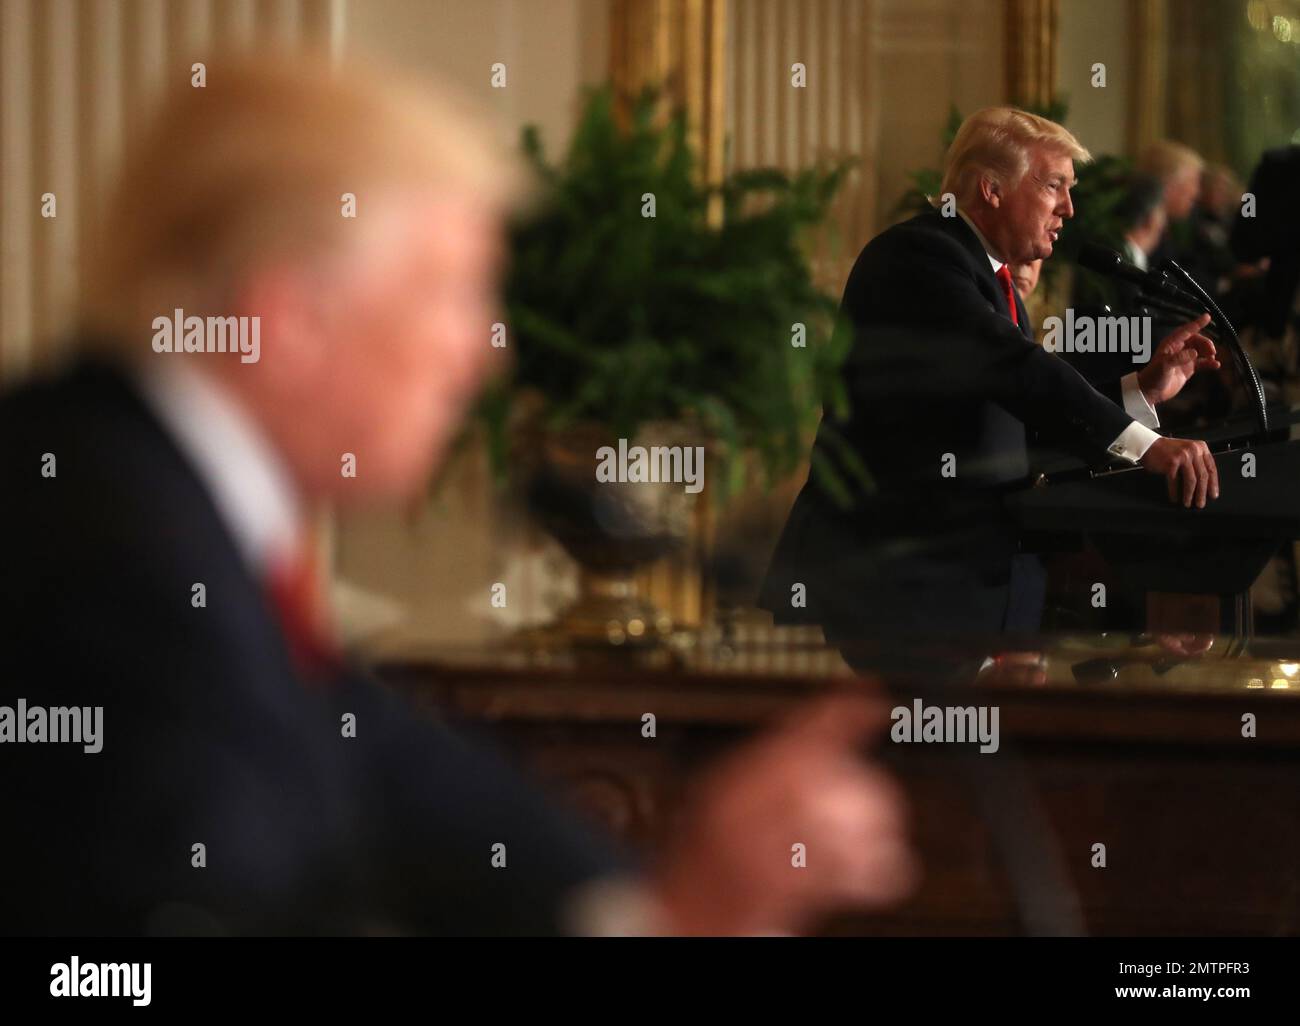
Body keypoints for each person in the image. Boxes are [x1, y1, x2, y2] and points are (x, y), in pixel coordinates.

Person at [0, 51, 915, 937]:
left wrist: (656, 914)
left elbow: (395, 773)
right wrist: (693, 912)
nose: (485, 352)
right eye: (454, 294)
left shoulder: (159, 503)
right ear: (292, 321)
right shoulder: (115, 564)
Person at [760, 108, 1219, 649]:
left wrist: (1141, 391)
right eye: (1054, 186)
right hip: (890, 583)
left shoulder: (988, 276)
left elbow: (1019, 416)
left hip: (959, 589)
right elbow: (1016, 367)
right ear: (991, 189)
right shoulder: (920, 256)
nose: (1069, 209)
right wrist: (1148, 446)